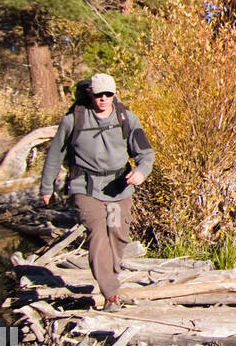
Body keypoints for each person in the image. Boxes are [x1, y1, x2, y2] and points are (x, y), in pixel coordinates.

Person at [39, 73, 154, 310]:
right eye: (98, 94)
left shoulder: (126, 119)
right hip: (86, 189)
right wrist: (46, 187)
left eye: (108, 94)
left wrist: (141, 171)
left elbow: (145, 153)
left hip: (119, 189)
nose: (103, 99)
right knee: (98, 236)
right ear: (90, 93)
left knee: (117, 235)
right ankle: (111, 293)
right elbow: (55, 155)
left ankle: (109, 278)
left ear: (114, 94)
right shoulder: (73, 121)